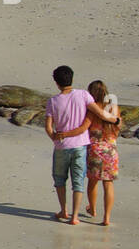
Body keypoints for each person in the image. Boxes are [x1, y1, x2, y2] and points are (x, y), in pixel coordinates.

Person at [44, 65, 120, 225]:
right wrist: (116, 120)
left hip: (84, 148)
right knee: (102, 183)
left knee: (70, 180)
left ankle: (77, 210)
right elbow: (110, 121)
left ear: (56, 82)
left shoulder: (55, 101)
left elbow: (80, 127)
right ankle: (94, 217)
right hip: (103, 148)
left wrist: (59, 137)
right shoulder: (106, 104)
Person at [83, 79, 121, 226]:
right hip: (111, 148)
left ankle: (92, 209)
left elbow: (86, 127)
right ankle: (106, 218)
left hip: (94, 148)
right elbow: (118, 127)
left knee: (92, 182)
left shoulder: (92, 109)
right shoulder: (113, 107)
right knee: (108, 183)